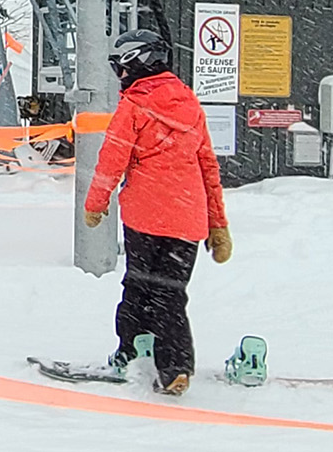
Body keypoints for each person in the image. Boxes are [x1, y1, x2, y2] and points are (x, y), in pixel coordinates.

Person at [83, 29, 230, 396]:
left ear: (136, 63)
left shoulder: (134, 106)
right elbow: (208, 167)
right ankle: (175, 365)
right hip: (188, 218)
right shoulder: (190, 103)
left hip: (145, 215)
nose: (118, 74)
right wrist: (219, 225)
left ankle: (131, 352)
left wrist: (95, 203)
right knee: (171, 292)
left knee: (137, 286)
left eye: (119, 65)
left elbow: (111, 159)